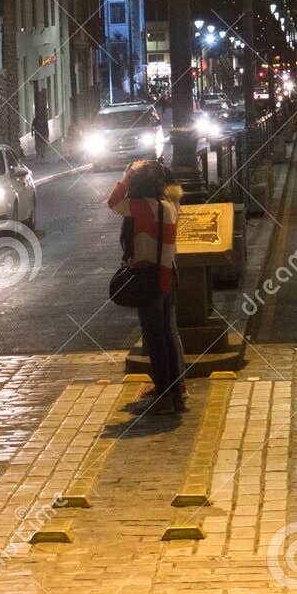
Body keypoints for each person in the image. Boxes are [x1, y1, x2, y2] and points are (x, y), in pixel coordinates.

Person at [107, 158, 184, 415]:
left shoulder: (142, 207)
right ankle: (175, 393)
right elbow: (174, 187)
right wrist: (158, 171)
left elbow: (113, 201)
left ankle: (164, 396)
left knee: (155, 341)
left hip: (149, 280)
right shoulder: (169, 206)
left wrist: (128, 174)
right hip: (167, 277)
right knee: (166, 337)